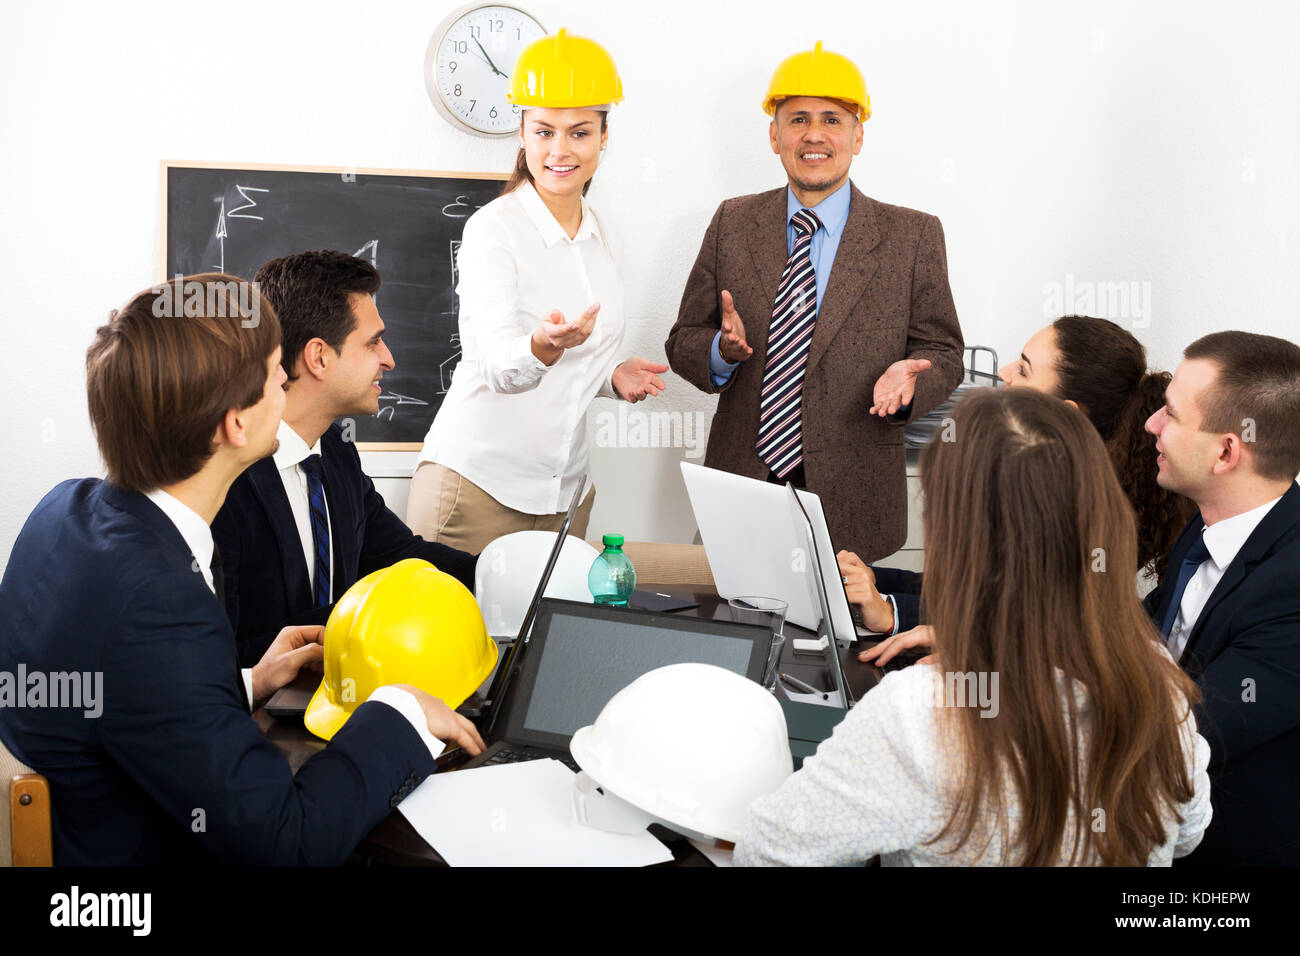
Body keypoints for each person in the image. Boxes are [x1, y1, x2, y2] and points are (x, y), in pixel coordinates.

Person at [0, 276, 483, 865]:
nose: (286, 381)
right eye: (275, 371)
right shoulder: (160, 604)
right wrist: (401, 708)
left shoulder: (64, 508)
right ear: (236, 424)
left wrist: (249, 679)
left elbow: (130, 695)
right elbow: (286, 843)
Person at [735, 388, 1211, 866]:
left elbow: (765, 856)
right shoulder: (1161, 683)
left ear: (953, 535)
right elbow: (1188, 833)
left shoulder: (919, 712)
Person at [663, 42, 964, 562]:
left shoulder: (912, 235)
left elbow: (944, 351)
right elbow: (683, 339)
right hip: (743, 483)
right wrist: (720, 351)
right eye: (798, 118)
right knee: (739, 635)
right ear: (775, 135)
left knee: (845, 638)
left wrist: (914, 383)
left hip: (857, 493)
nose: (814, 134)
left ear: (858, 135)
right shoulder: (732, 222)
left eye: (833, 119)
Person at [405, 29, 668, 555]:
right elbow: (498, 364)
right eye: (544, 131)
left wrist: (609, 376)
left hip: (564, 496)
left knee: (546, 640)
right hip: (475, 490)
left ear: (604, 136)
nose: (560, 150)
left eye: (579, 132)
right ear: (521, 134)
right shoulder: (492, 229)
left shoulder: (602, 234)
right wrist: (542, 346)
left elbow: (573, 366)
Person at [847, 316, 1197, 649]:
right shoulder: (1044, 481)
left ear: (1065, 413)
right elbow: (973, 590)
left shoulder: (1087, 521)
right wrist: (877, 582)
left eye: (1024, 369)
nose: (1004, 374)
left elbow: (1019, 622)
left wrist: (892, 612)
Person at [211, 251, 478, 666]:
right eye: (373, 342)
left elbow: (403, 557)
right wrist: (357, 620)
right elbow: (217, 657)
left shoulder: (334, 453)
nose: (388, 359)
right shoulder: (223, 478)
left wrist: (517, 580)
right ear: (319, 357)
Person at [1141, 330, 1300, 866]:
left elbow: (1183, 735)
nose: (1151, 425)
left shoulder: (1294, 585)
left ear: (1227, 451)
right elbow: (1142, 628)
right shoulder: (1211, 520)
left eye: (1170, 414)